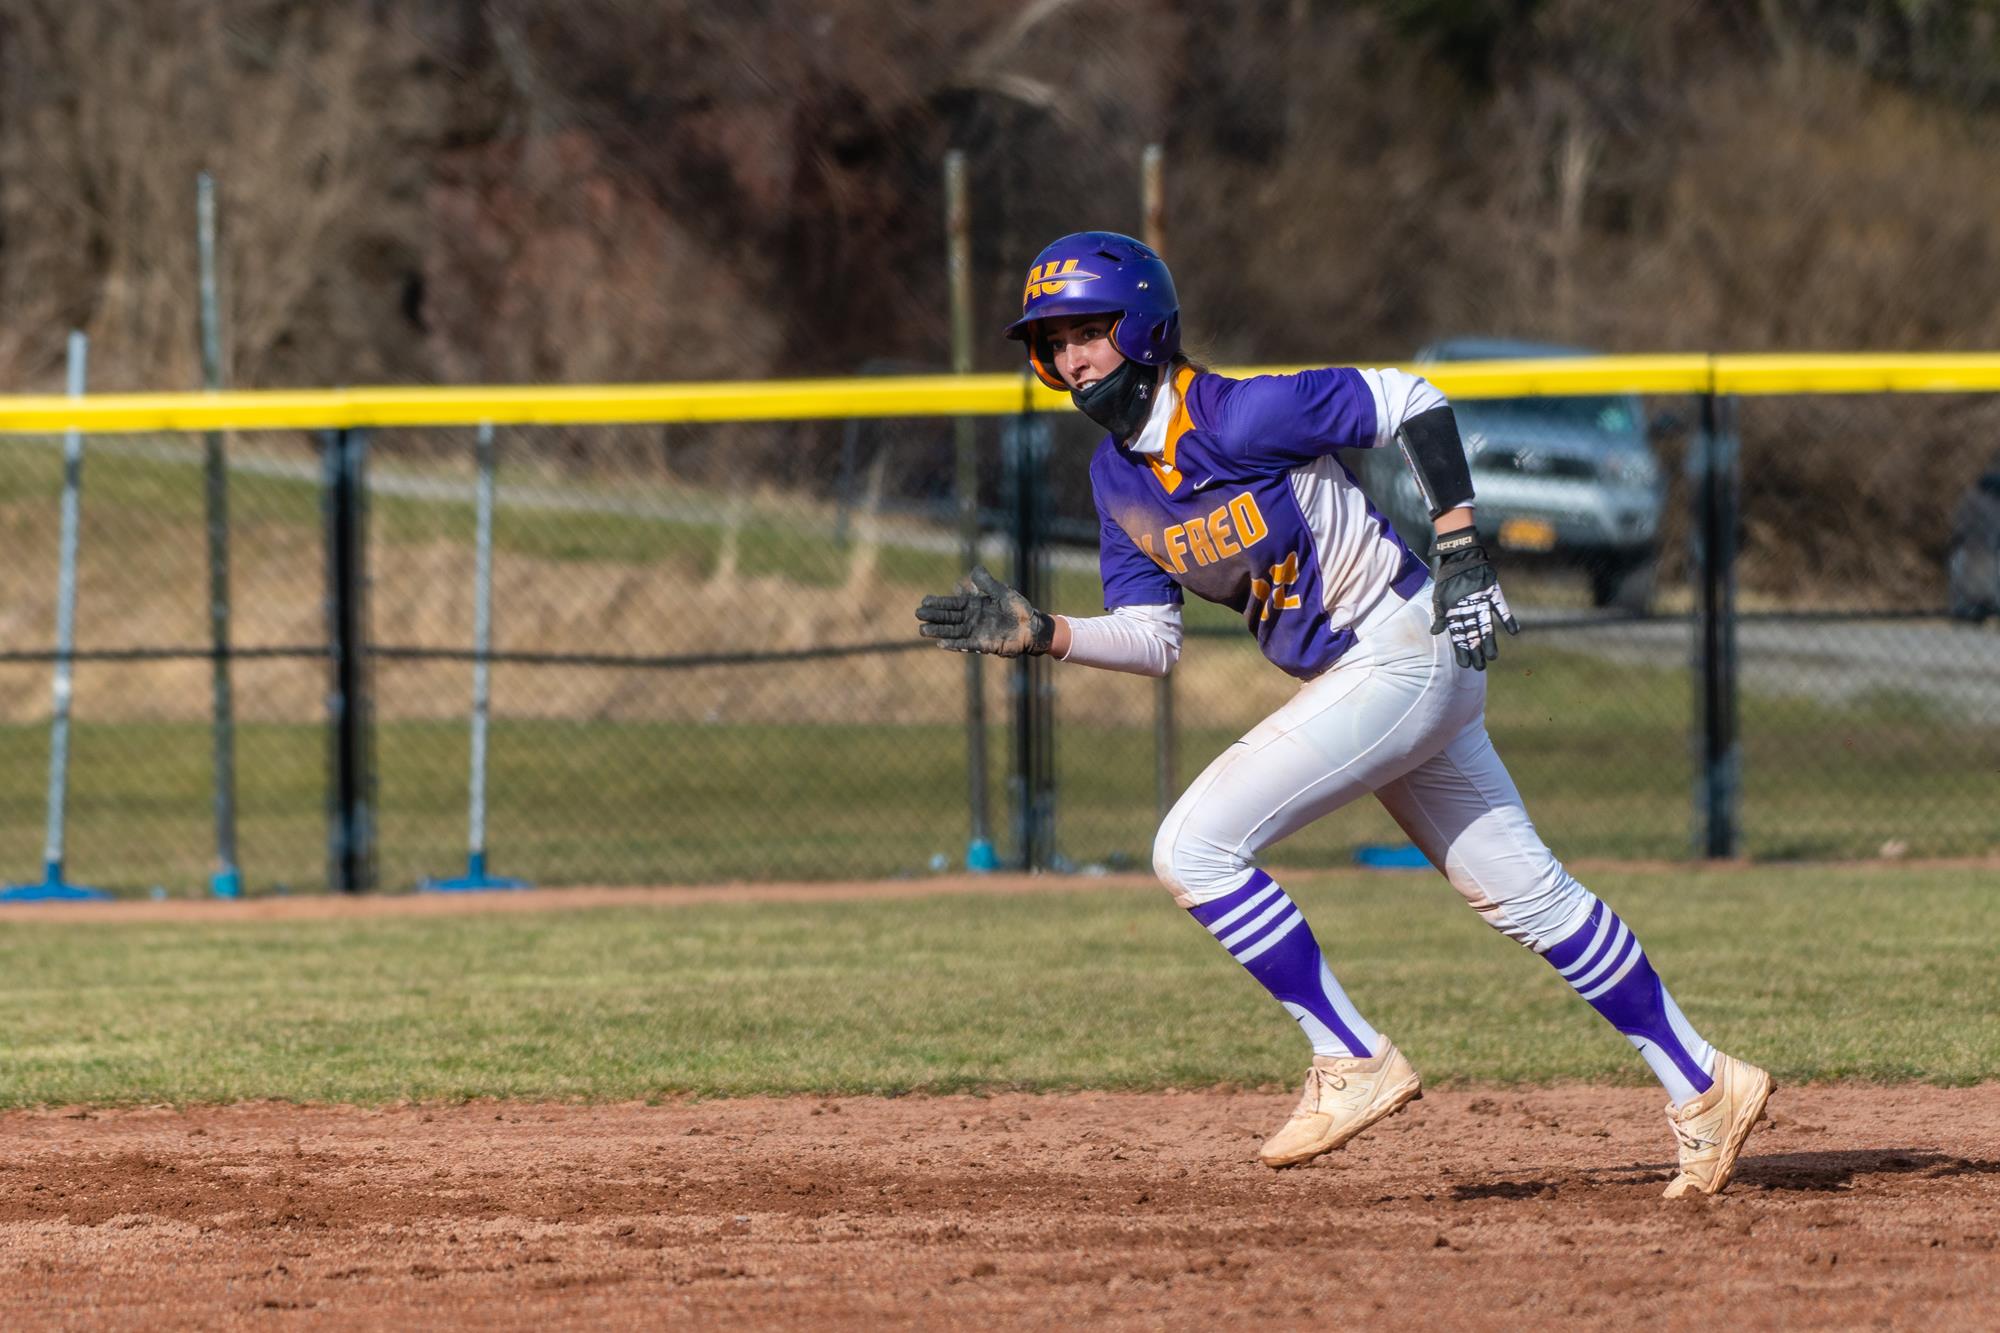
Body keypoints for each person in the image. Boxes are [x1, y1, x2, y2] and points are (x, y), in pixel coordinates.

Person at [914, 231, 1772, 1197]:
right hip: (1379, 679)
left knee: (1192, 847)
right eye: (1051, 342)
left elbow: (1414, 398)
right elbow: (1153, 639)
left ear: (1145, 326)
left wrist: (1458, 543)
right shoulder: (1116, 482)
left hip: (1401, 649)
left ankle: (1350, 1053)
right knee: (1529, 897)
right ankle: (1707, 1082)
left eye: (1088, 331)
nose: (1070, 360)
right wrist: (1043, 632)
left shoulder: (1242, 413)